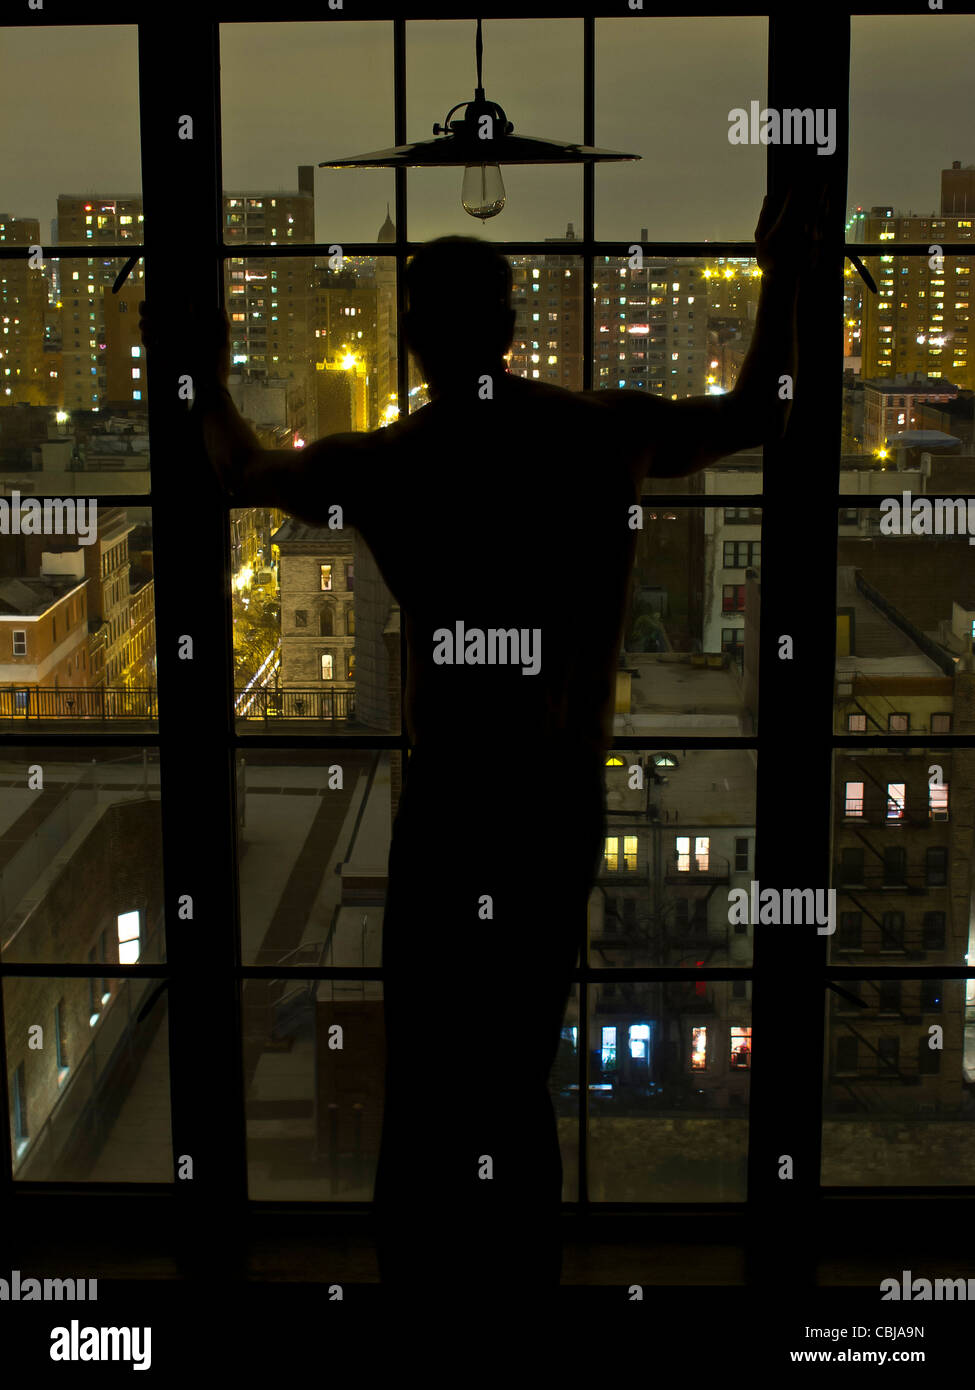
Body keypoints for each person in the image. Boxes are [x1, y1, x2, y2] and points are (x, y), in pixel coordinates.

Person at [139, 182, 824, 1306]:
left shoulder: (393, 464)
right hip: (554, 803)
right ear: (510, 329)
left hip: (452, 805)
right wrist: (784, 274)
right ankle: (518, 1289)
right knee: (513, 1075)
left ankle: (418, 1290)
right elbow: (761, 413)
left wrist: (201, 369)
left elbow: (241, 469)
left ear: (413, 339)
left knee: (425, 1078)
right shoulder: (602, 437)